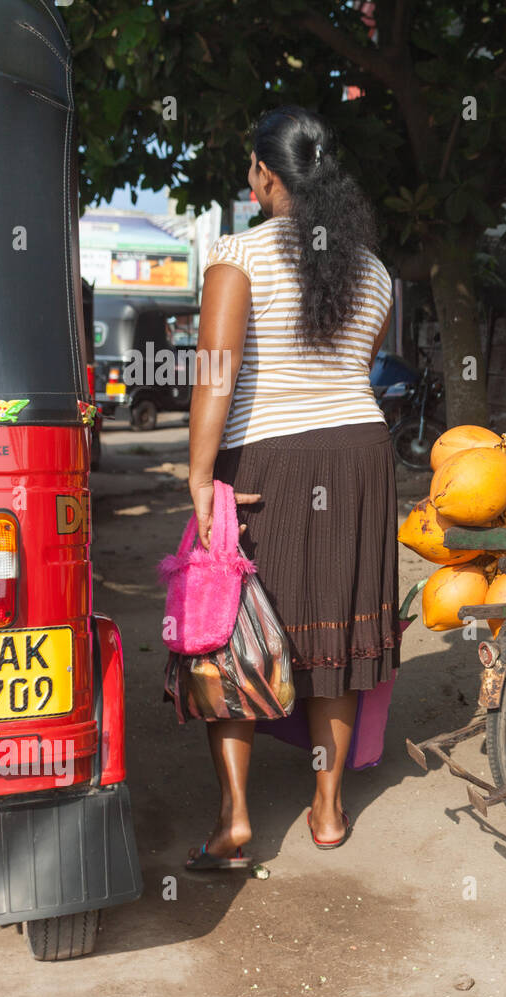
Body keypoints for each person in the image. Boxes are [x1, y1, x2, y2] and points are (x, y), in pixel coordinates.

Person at [184, 105, 399, 868]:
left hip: (267, 459)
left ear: (264, 174)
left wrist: (199, 477)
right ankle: (329, 807)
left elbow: (216, 373)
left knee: (230, 630)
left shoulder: (237, 253)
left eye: (251, 168)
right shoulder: (374, 271)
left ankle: (236, 818)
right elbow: (358, 370)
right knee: (334, 633)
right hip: (360, 455)